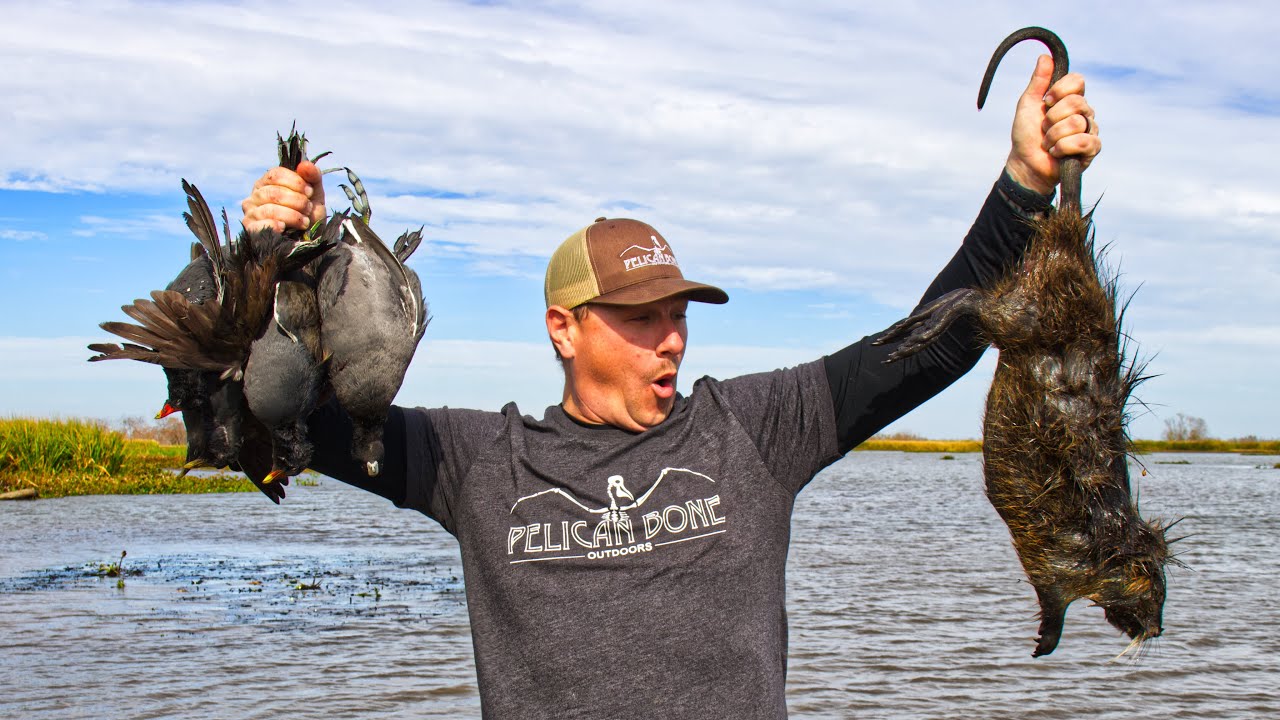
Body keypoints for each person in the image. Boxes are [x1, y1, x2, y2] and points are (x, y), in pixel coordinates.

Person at [241, 55, 1100, 719]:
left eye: (679, 314)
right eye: (641, 318)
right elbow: (269, 415)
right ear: (563, 328)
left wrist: (1023, 186)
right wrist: (274, 259)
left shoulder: (755, 431)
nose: (673, 338)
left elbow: (929, 347)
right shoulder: (475, 463)